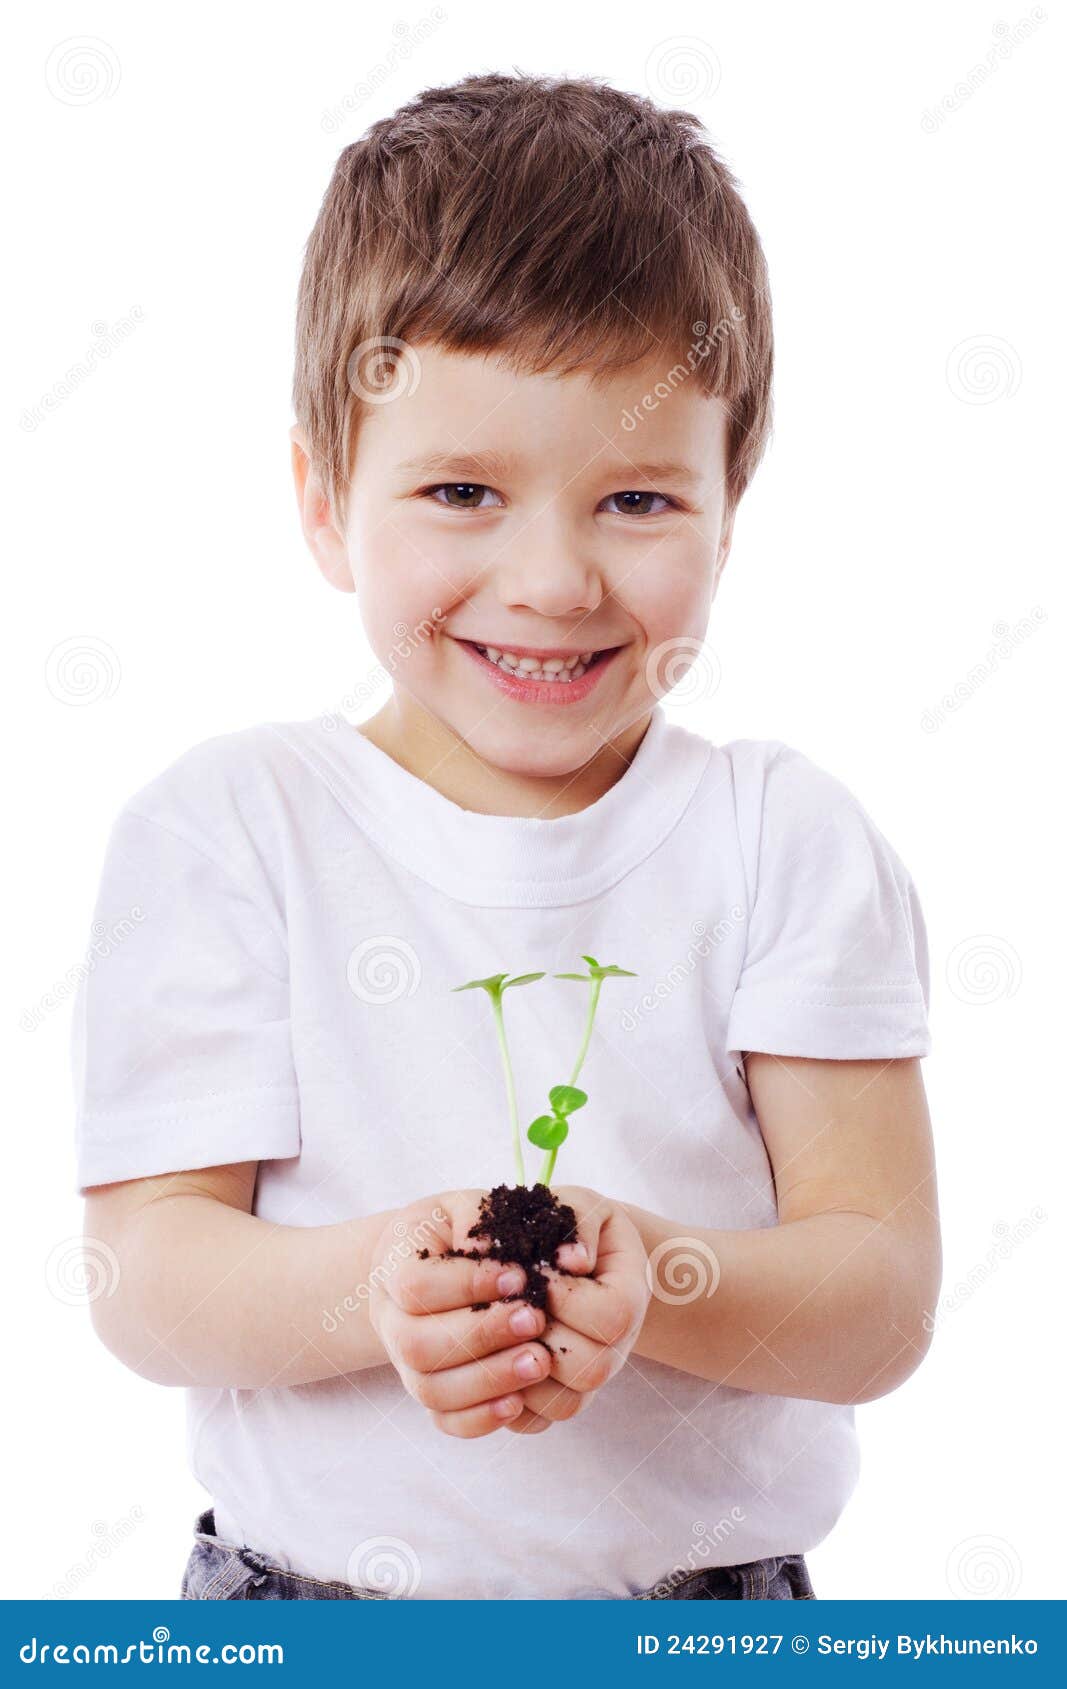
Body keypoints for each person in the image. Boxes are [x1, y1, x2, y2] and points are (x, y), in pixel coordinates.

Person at [72, 72, 940, 1602]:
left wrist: (661, 1273)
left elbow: (878, 1294)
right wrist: (375, 1280)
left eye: (636, 500)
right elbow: (146, 1275)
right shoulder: (232, 833)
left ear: (731, 507)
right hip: (311, 1613)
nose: (549, 580)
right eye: (462, 490)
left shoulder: (779, 840)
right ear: (327, 499)